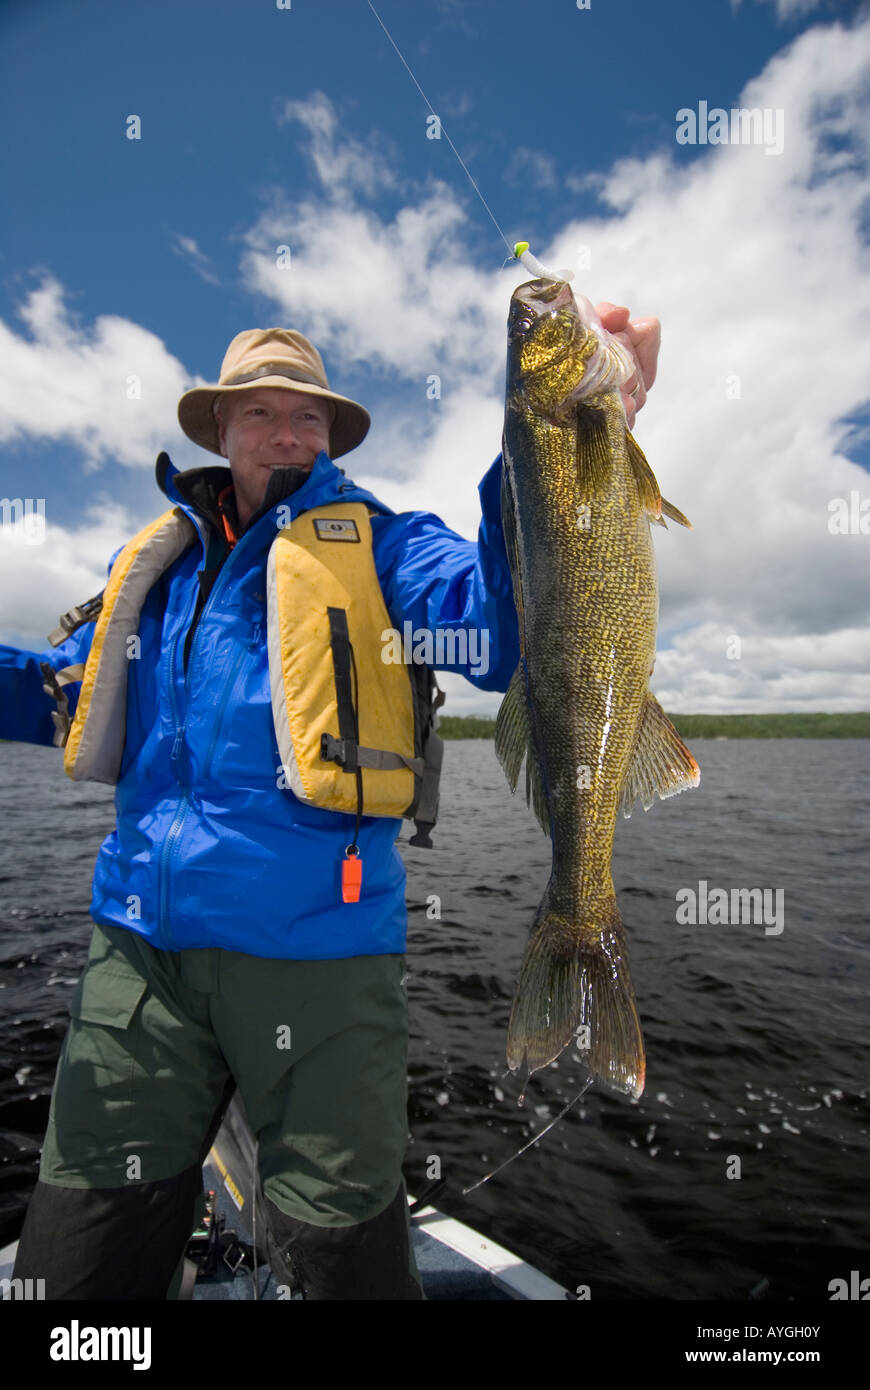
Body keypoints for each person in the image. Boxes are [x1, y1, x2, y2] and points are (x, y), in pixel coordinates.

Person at [3, 303, 660, 1301]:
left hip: (320, 953)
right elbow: (62, 690)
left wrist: (562, 454)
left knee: (342, 1246)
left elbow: (492, 634)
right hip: (136, 952)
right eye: (260, 412)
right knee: (79, 1259)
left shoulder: (387, 544)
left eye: (307, 416)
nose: (286, 433)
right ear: (218, 432)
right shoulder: (158, 568)